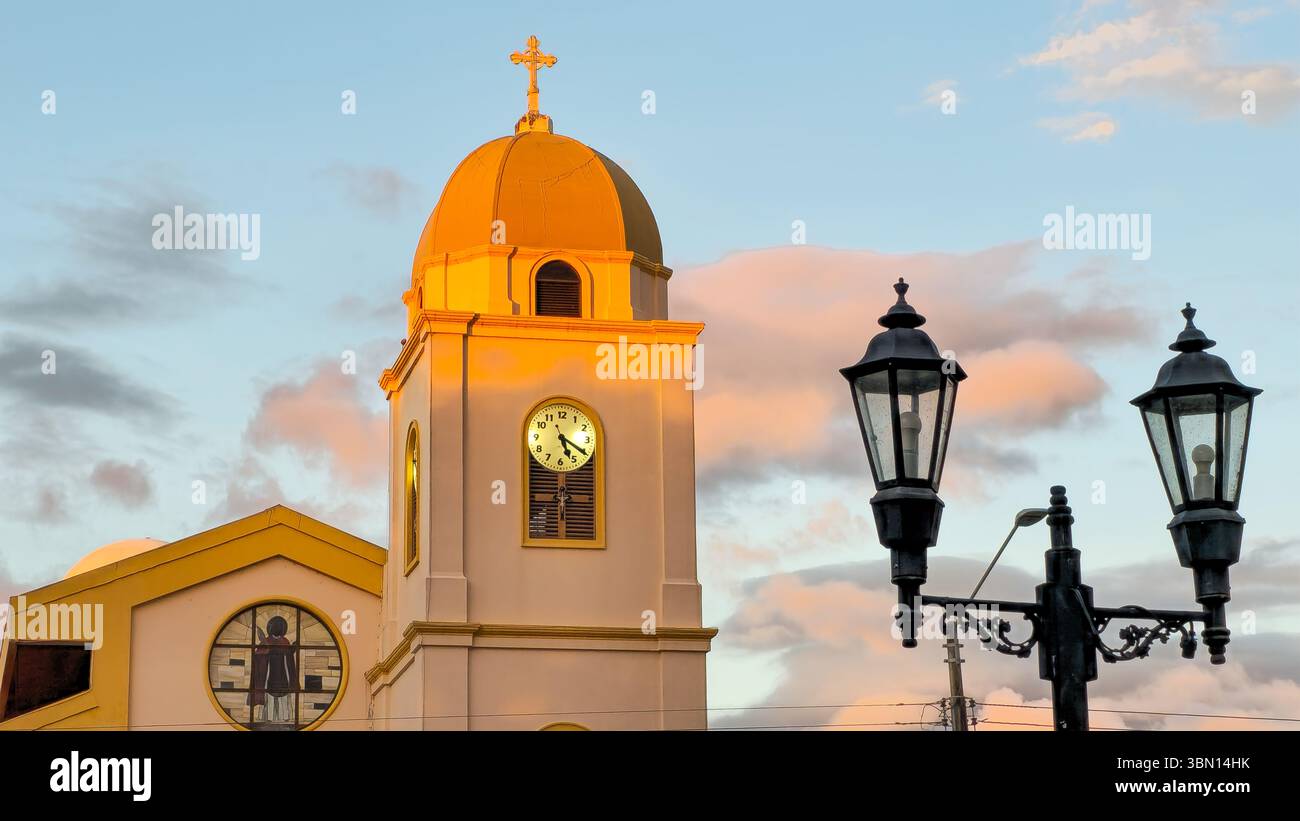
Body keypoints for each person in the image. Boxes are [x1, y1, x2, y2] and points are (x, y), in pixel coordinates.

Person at [249, 615, 297, 725]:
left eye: (279, 627)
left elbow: (288, 655)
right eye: (276, 627)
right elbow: (258, 655)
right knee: (269, 696)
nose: (278, 629)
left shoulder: (285, 641)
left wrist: (293, 648)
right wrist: (265, 651)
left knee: (284, 695)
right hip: (270, 671)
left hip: (282, 671)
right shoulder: (266, 641)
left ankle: (285, 717)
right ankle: (269, 718)